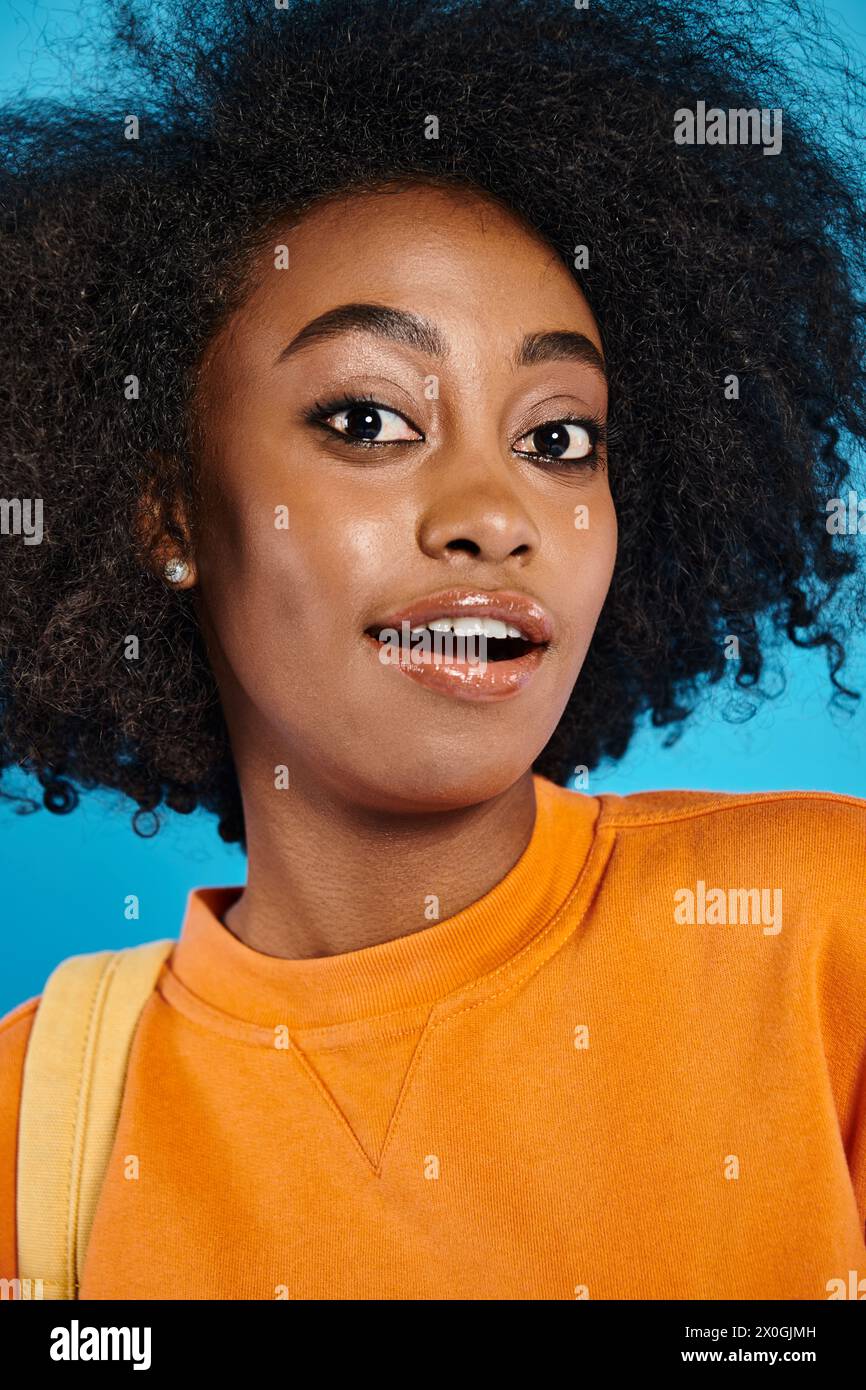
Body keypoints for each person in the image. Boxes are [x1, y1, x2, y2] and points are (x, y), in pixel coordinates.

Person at [1, 0, 865, 1300]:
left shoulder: (817, 929)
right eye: (368, 416)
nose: (492, 518)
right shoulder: (32, 1120)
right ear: (172, 511)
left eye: (558, 437)